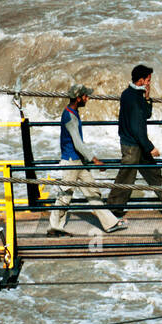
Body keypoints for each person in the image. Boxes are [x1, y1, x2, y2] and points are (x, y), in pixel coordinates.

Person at [48, 85, 128, 236]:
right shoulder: (69, 116)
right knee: (64, 197)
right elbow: (78, 143)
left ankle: (110, 224)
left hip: (79, 162)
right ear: (78, 98)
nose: (87, 99)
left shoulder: (73, 112)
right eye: (85, 96)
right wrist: (95, 160)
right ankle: (54, 227)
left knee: (92, 192)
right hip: (72, 162)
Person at [106, 64, 162, 218]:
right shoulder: (132, 99)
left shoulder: (130, 94)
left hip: (136, 143)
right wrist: (150, 148)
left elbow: (147, 114)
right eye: (148, 80)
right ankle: (112, 209)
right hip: (132, 145)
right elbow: (137, 127)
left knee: (153, 174)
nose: (149, 82)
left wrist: (148, 97)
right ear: (141, 80)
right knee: (126, 176)